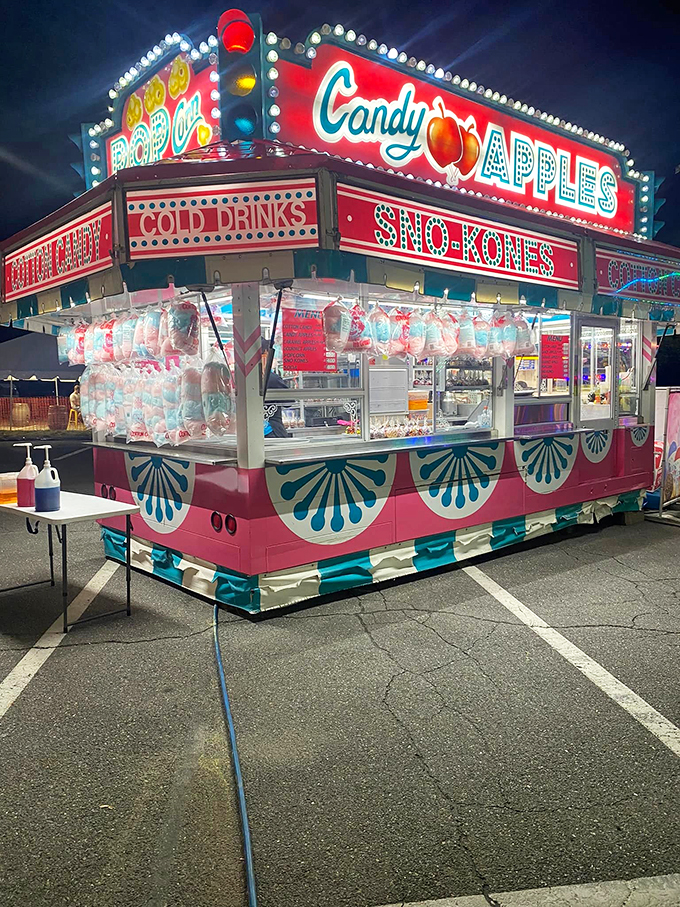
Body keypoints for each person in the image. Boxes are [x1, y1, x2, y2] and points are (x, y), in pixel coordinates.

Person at [261, 338, 292, 438]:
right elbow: (289, 402)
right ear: (266, 353)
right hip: (272, 432)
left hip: (251, 433)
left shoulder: (242, 380)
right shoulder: (272, 379)